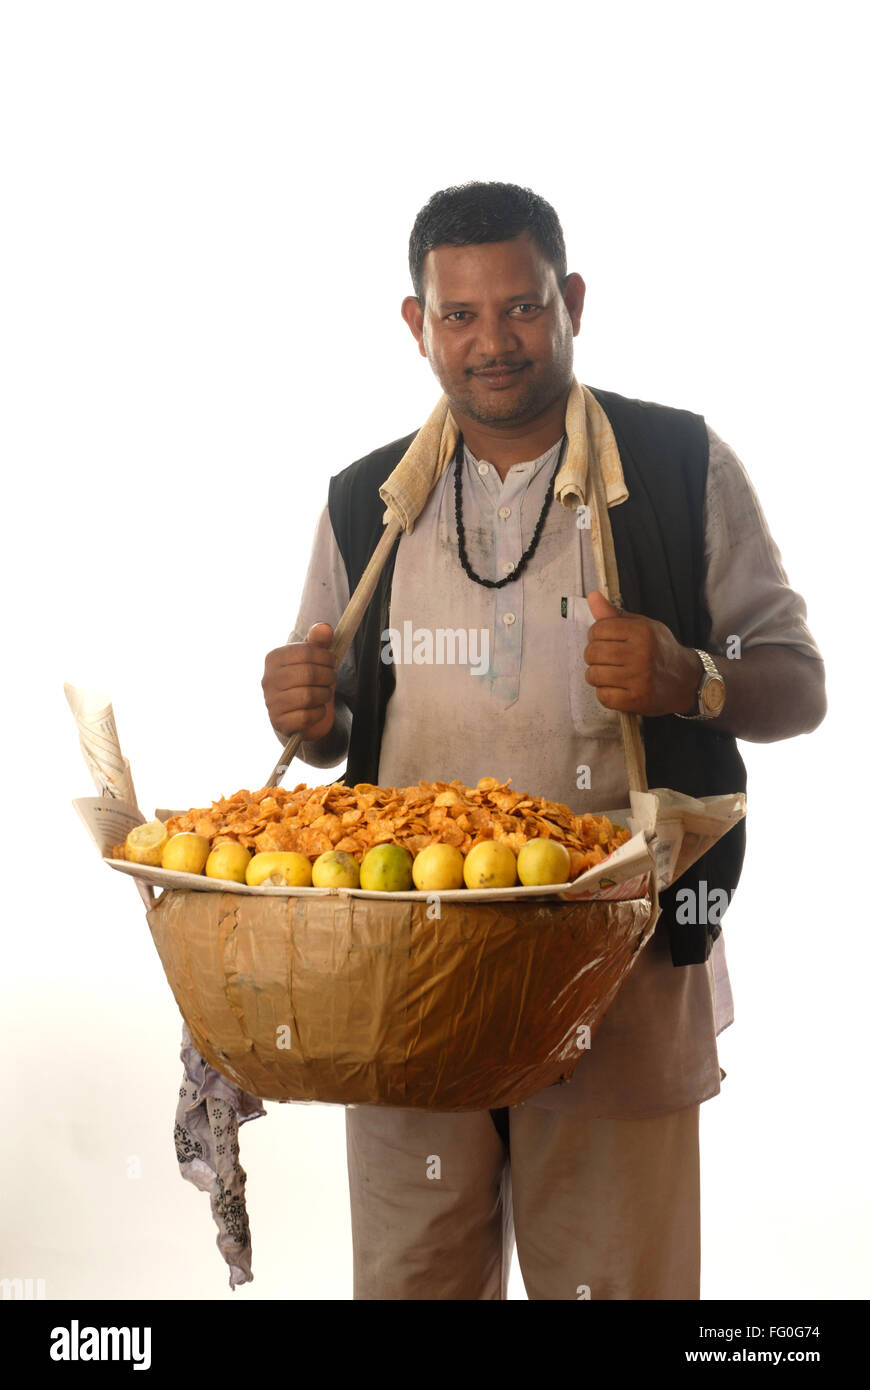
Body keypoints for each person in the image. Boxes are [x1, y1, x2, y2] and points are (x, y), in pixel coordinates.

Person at [261, 181, 826, 1300]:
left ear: (571, 302)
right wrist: (308, 719)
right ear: (417, 326)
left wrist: (691, 677)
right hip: (408, 982)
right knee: (411, 1283)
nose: (493, 341)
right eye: (460, 316)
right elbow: (331, 746)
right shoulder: (360, 501)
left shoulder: (679, 466)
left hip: (615, 969)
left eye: (521, 307)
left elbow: (799, 686)